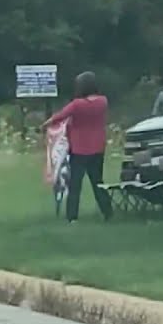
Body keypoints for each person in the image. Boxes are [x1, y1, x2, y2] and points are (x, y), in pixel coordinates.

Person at [41, 71, 114, 223]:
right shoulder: (103, 101)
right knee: (98, 182)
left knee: (75, 184)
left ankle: (72, 216)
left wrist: (45, 125)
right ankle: (107, 212)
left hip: (80, 148)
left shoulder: (77, 104)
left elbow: (60, 116)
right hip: (98, 147)